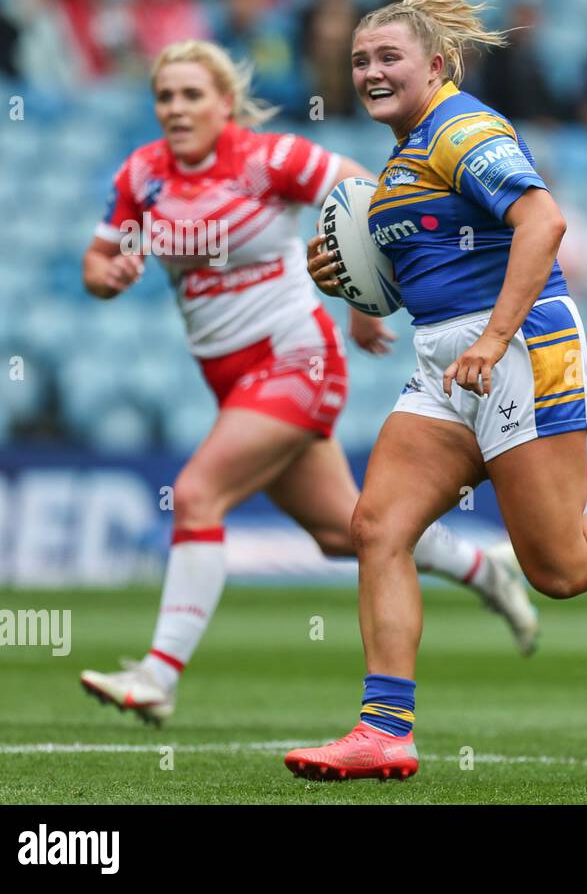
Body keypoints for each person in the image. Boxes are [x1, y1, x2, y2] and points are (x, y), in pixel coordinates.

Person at [282, 0, 587, 782]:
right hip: (448, 364)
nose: (369, 72)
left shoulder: (462, 127)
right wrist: (347, 282)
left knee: (560, 569)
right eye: (360, 61)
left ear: (436, 65)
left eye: (387, 58)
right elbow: (432, 275)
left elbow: (543, 223)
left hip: (518, 350)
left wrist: (497, 337)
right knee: (377, 527)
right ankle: (384, 731)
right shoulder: (403, 157)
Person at [78, 39, 539, 727]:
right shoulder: (142, 174)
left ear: (225, 103)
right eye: (165, 97)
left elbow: (364, 199)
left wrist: (361, 299)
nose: (176, 108)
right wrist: (107, 275)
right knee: (346, 532)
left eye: (192, 94)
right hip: (230, 380)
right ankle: (483, 569)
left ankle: (158, 675)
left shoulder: (271, 158)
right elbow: (98, 257)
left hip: (295, 359)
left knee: (199, 494)